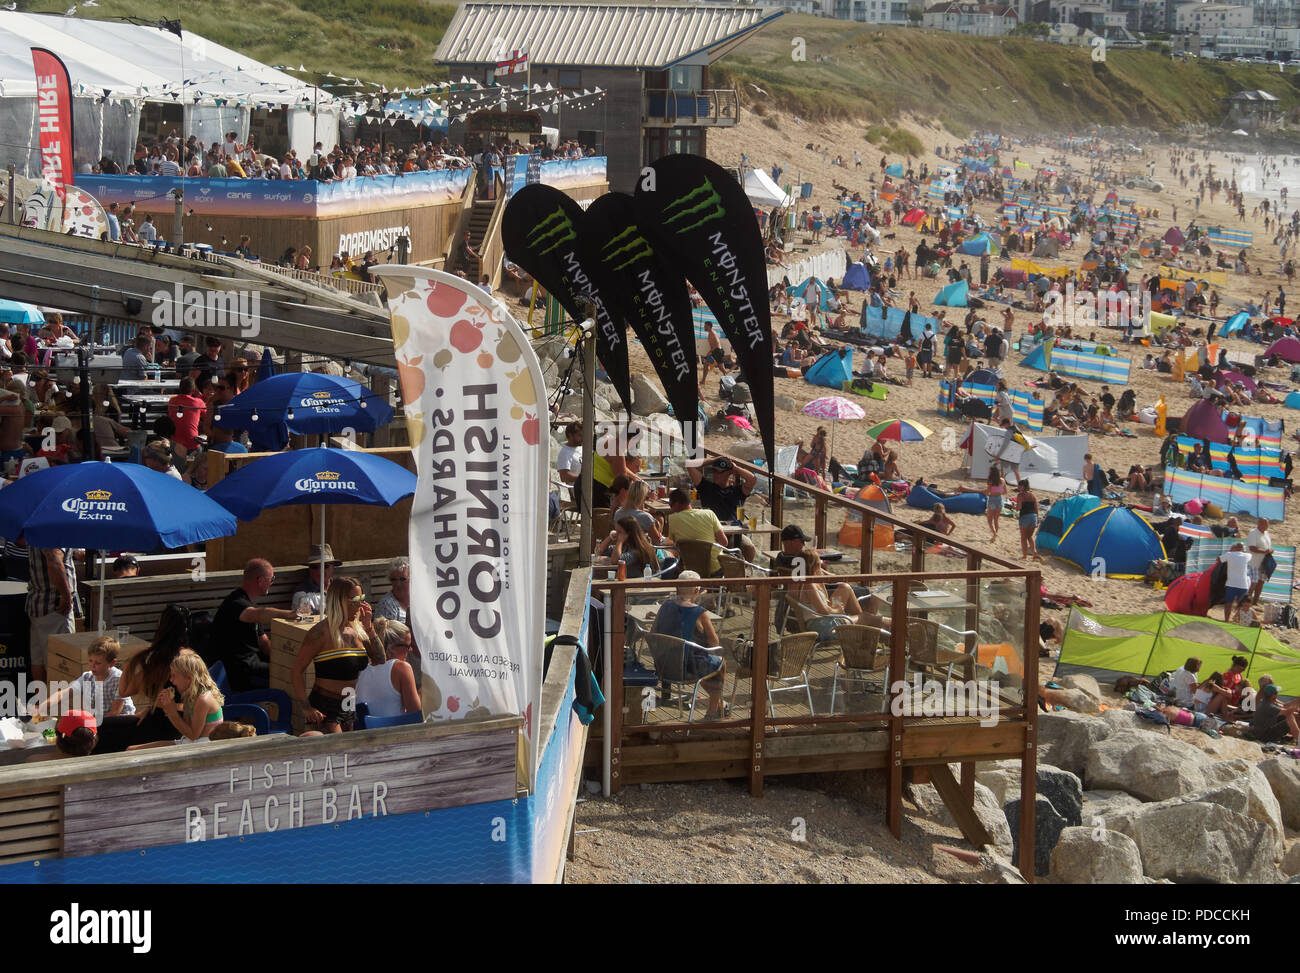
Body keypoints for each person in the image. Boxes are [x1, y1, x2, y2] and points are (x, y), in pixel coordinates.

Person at [94, 605, 194, 752]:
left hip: (166, 725)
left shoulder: (156, 659)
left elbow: (124, 691)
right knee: (102, 728)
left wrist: (130, 661)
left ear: (160, 627)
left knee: (100, 732)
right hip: (169, 721)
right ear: (185, 631)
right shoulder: (190, 658)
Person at [292, 576, 383, 733]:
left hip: (348, 705)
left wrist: (370, 629)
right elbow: (296, 671)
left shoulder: (358, 630)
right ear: (339, 601)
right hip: (325, 707)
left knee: (349, 754)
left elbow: (380, 660)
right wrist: (306, 708)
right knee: (339, 752)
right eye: (355, 600)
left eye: (362, 598)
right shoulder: (320, 633)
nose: (360, 605)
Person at [211, 558, 298, 693]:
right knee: (288, 677)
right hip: (240, 673)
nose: (272, 583)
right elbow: (259, 614)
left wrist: (286, 660)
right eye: (272, 578)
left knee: (290, 671)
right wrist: (290, 614)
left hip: (252, 665)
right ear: (261, 580)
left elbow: (264, 644)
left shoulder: (248, 605)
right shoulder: (236, 604)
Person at [651, 570, 728, 720]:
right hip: (686, 669)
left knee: (704, 663)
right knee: (720, 664)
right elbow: (714, 644)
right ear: (696, 591)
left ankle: (721, 704)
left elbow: (653, 634)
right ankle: (713, 711)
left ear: (677, 588)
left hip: (663, 666)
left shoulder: (665, 606)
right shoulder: (700, 613)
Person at [30, 635, 134, 723]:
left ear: (112, 663)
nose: (92, 666)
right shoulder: (87, 677)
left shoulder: (119, 679)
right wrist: (43, 706)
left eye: (97, 663)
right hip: (98, 720)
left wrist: (85, 721)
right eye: (90, 661)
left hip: (120, 722)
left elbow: (115, 713)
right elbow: (64, 693)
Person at [25, 546, 79, 684]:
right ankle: (59, 706)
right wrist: (66, 596)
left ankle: (43, 704)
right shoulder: (54, 526)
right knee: (62, 666)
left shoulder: (38, 525)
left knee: (40, 663)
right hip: (55, 607)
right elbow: (53, 559)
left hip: (39, 604)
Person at [688, 457, 757, 562]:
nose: (716, 474)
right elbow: (689, 464)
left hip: (734, 532)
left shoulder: (737, 491)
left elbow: (752, 479)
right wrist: (714, 459)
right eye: (714, 471)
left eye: (719, 472)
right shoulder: (706, 487)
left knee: (749, 548)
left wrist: (735, 467)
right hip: (712, 532)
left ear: (728, 473)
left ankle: (740, 571)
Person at [355, 617, 422, 719]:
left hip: (365, 732)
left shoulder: (360, 670)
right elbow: (416, 714)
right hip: (395, 733)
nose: (411, 650)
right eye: (408, 646)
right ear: (391, 648)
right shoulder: (402, 668)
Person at [155, 650, 224, 741]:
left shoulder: (203, 699)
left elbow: (193, 735)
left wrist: (171, 712)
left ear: (189, 678)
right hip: (193, 742)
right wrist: (167, 705)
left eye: (174, 676)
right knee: (131, 749)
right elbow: (187, 726)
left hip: (203, 745)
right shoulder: (191, 694)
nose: (171, 680)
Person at [665, 488, 729, 577]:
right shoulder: (709, 513)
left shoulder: (672, 519)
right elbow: (724, 542)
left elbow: (671, 544)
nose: (670, 507)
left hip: (690, 571)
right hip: (715, 568)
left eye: (670, 504)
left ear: (677, 504)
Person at [595, 515, 662, 576]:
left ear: (628, 534)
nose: (617, 534)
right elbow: (600, 551)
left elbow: (615, 561)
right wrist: (610, 537)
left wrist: (620, 541)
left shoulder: (638, 550)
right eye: (616, 531)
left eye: (620, 532)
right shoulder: (624, 546)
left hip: (640, 584)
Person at [293, 543, 342, 615]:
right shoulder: (302, 593)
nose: (320, 571)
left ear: (333, 567)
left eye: (325, 566)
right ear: (309, 569)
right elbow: (306, 618)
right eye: (314, 567)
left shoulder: (340, 587)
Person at [1219, 542, 1253, 622]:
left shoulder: (1229, 554)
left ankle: (1226, 619)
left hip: (1231, 583)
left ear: (1234, 548)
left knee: (1228, 603)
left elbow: (1219, 559)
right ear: (1243, 549)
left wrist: (1231, 552)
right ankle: (1238, 619)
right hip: (1243, 584)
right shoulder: (1247, 555)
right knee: (1242, 604)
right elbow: (1249, 556)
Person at [1246, 517, 1274, 604]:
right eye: (1265, 523)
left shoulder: (1266, 533)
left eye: (1267, 524)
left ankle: (1255, 602)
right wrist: (1264, 551)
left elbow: (1268, 547)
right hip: (1253, 563)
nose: (1266, 525)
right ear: (1259, 524)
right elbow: (1252, 547)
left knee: (1261, 582)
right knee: (1252, 584)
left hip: (1263, 563)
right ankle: (1246, 602)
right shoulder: (1253, 533)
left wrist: (1270, 550)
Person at [374, 556, 409, 624]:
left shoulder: (419, 598)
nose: (398, 584)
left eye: (402, 579)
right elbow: (387, 633)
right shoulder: (387, 604)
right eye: (393, 579)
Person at [1015, 481, 1041, 562]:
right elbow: (1036, 507)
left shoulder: (1020, 495)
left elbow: (1019, 508)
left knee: (1023, 537)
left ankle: (1024, 556)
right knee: (1029, 537)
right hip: (1033, 516)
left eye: (1020, 485)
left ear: (1023, 486)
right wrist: (1037, 518)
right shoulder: (1032, 495)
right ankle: (1034, 553)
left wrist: (1013, 507)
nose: (1018, 487)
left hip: (1025, 517)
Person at [980, 467, 1005, 541]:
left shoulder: (991, 481)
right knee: (996, 519)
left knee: (989, 520)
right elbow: (1005, 491)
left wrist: (983, 492)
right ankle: (995, 536)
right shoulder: (1002, 480)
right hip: (999, 499)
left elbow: (987, 492)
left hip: (992, 499)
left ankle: (994, 534)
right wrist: (998, 491)